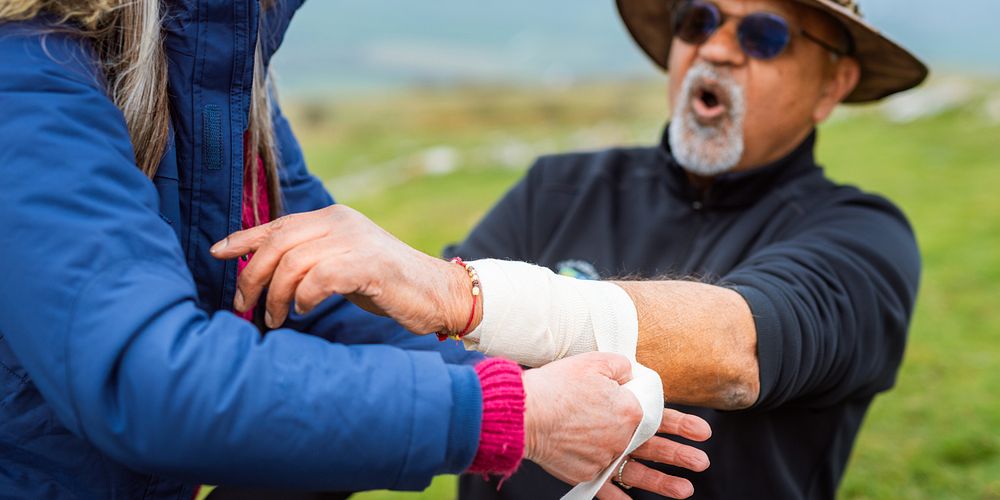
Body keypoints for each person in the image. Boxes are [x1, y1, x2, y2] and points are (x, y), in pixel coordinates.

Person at [212, 0, 929, 498]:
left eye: (764, 35)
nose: (715, 48)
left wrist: (460, 295)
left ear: (834, 82)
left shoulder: (862, 237)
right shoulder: (560, 187)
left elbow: (735, 348)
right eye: (698, 20)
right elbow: (418, 367)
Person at [0, 1, 714, 499]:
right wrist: (512, 412)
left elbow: (305, 293)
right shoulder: (30, 77)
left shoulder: (212, 66)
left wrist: (537, 381)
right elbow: (149, 381)